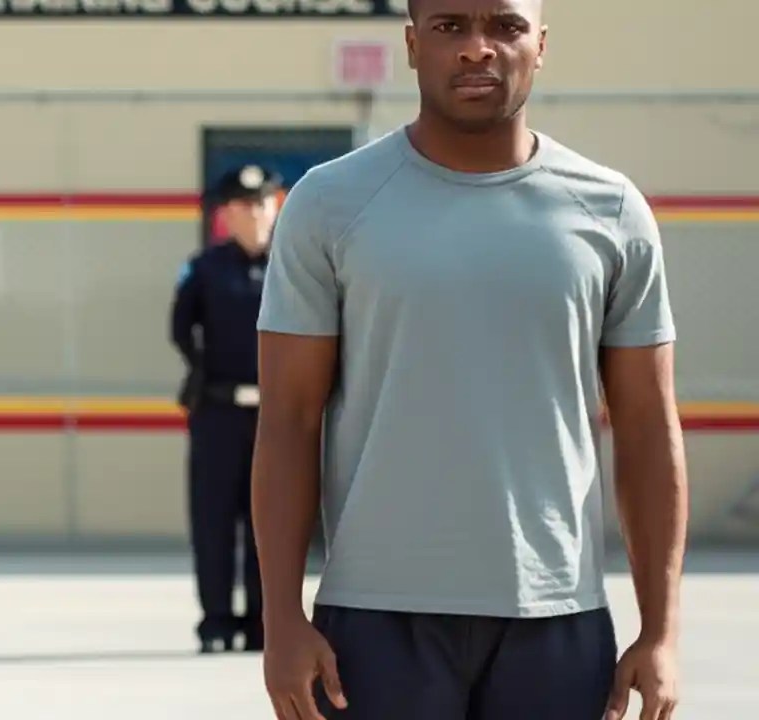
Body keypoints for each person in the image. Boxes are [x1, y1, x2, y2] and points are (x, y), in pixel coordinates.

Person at [251, 1, 686, 719]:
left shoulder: (611, 211)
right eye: (452, 26)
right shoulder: (329, 205)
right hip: (375, 620)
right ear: (413, 44)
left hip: (557, 615)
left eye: (505, 27)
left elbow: (647, 427)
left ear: (540, 46)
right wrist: (281, 620)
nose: (478, 49)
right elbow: (289, 420)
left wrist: (662, 632)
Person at [170, 164, 282, 654]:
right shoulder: (205, 268)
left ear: (275, 207)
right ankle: (216, 620)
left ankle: (264, 623)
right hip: (218, 412)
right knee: (213, 520)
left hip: (277, 416)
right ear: (226, 214)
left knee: (271, 521)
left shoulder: (295, 265)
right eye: (242, 206)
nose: (253, 214)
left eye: (260, 204)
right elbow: (180, 327)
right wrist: (197, 369)